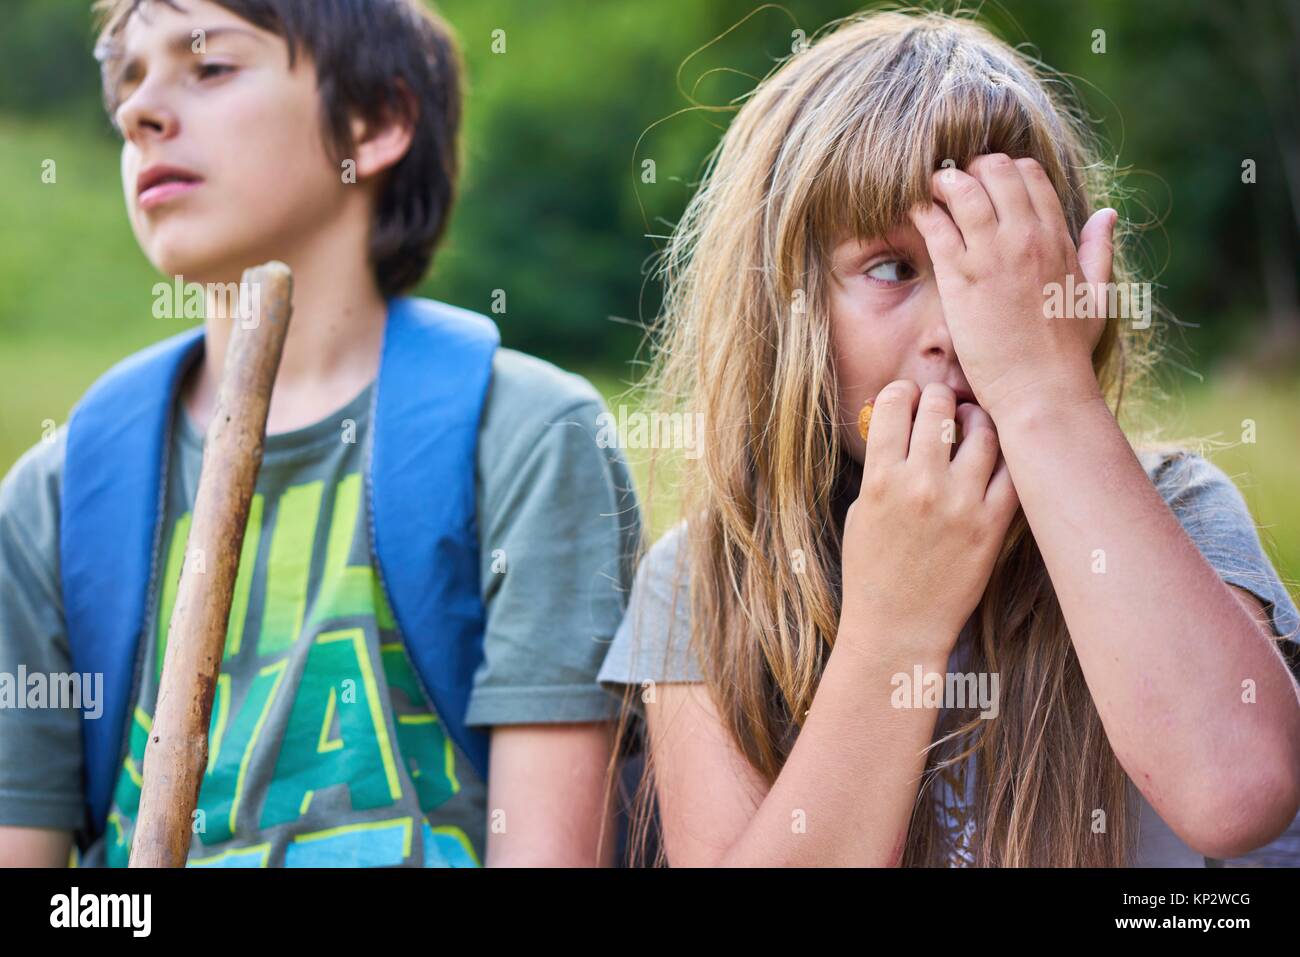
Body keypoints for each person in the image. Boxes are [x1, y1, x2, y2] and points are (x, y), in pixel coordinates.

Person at [598, 9, 1300, 867]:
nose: (960, 328)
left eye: (1002, 267)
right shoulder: (707, 583)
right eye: (893, 269)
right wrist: (896, 627)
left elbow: (1240, 795)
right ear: (786, 313)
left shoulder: (1174, 515)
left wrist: (1045, 394)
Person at [0, 0, 639, 867]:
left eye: (210, 67)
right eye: (129, 79)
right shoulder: (54, 499)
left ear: (376, 120)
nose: (137, 111)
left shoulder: (526, 439)